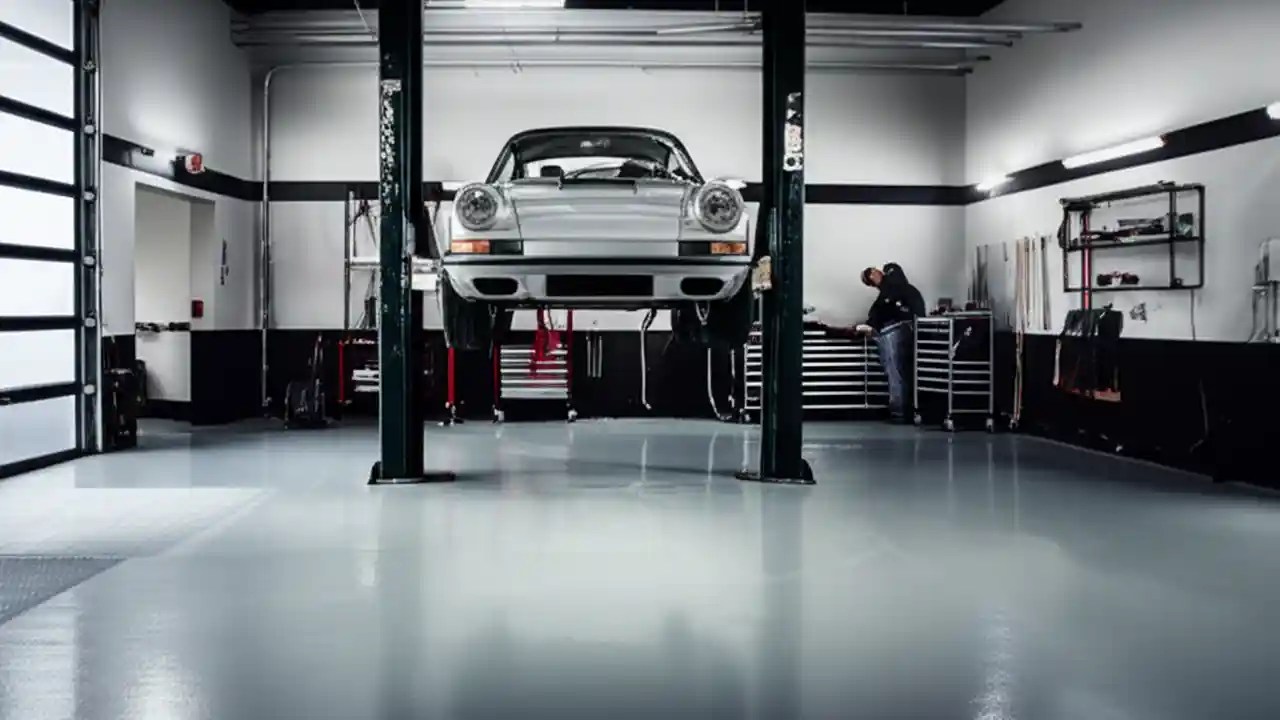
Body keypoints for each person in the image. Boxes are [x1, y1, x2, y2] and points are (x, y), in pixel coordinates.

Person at [857, 263, 925, 423]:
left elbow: (883, 305)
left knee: (895, 370)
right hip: (904, 330)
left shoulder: (894, 287)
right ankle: (902, 409)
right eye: (870, 274)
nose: (874, 273)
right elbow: (880, 309)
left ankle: (900, 411)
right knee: (899, 370)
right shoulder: (889, 295)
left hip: (901, 330)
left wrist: (871, 323)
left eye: (872, 271)